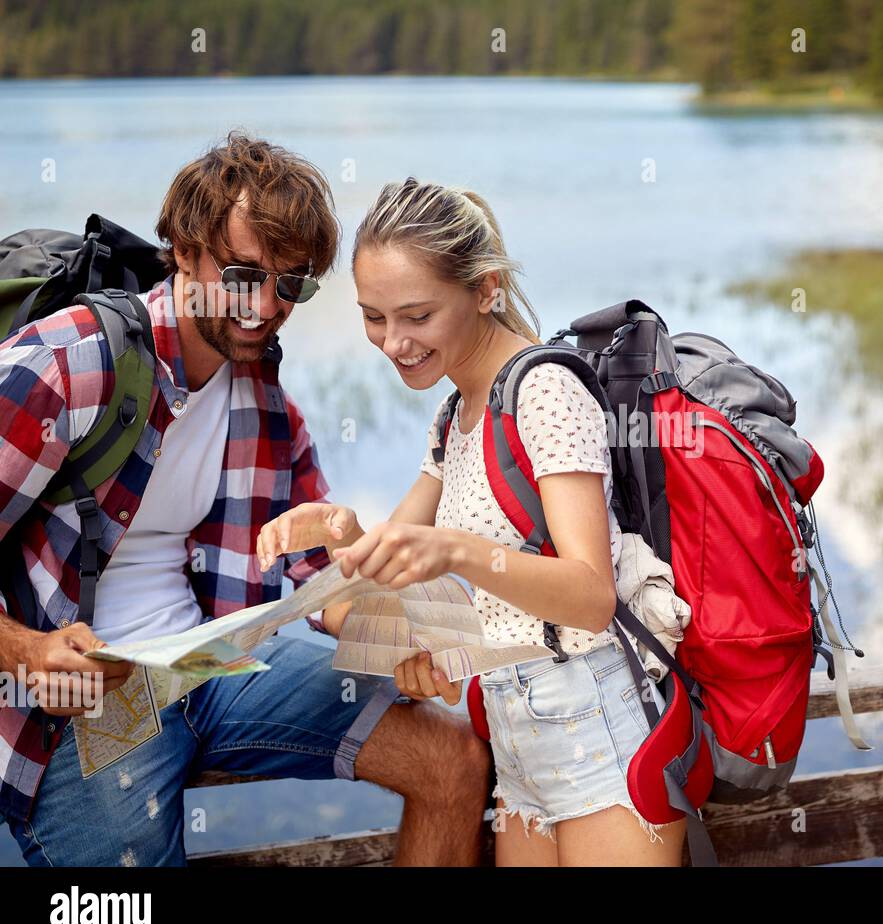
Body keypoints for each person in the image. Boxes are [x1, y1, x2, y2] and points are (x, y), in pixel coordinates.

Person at [0, 134, 489, 867]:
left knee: (450, 760)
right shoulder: (73, 362)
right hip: (99, 707)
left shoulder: (264, 399)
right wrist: (27, 650)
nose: (265, 308)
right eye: (243, 276)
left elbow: (313, 589)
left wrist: (411, 637)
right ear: (185, 253)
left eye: (290, 284)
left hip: (213, 666)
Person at [259, 178, 687, 866]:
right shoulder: (453, 416)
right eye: (373, 317)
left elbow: (589, 595)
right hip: (516, 738)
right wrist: (341, 533)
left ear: (485, 289)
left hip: (595, 723)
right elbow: (388, 586)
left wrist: (455, 552)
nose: (393, 342)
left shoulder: (545, 390)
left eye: (416, 315)